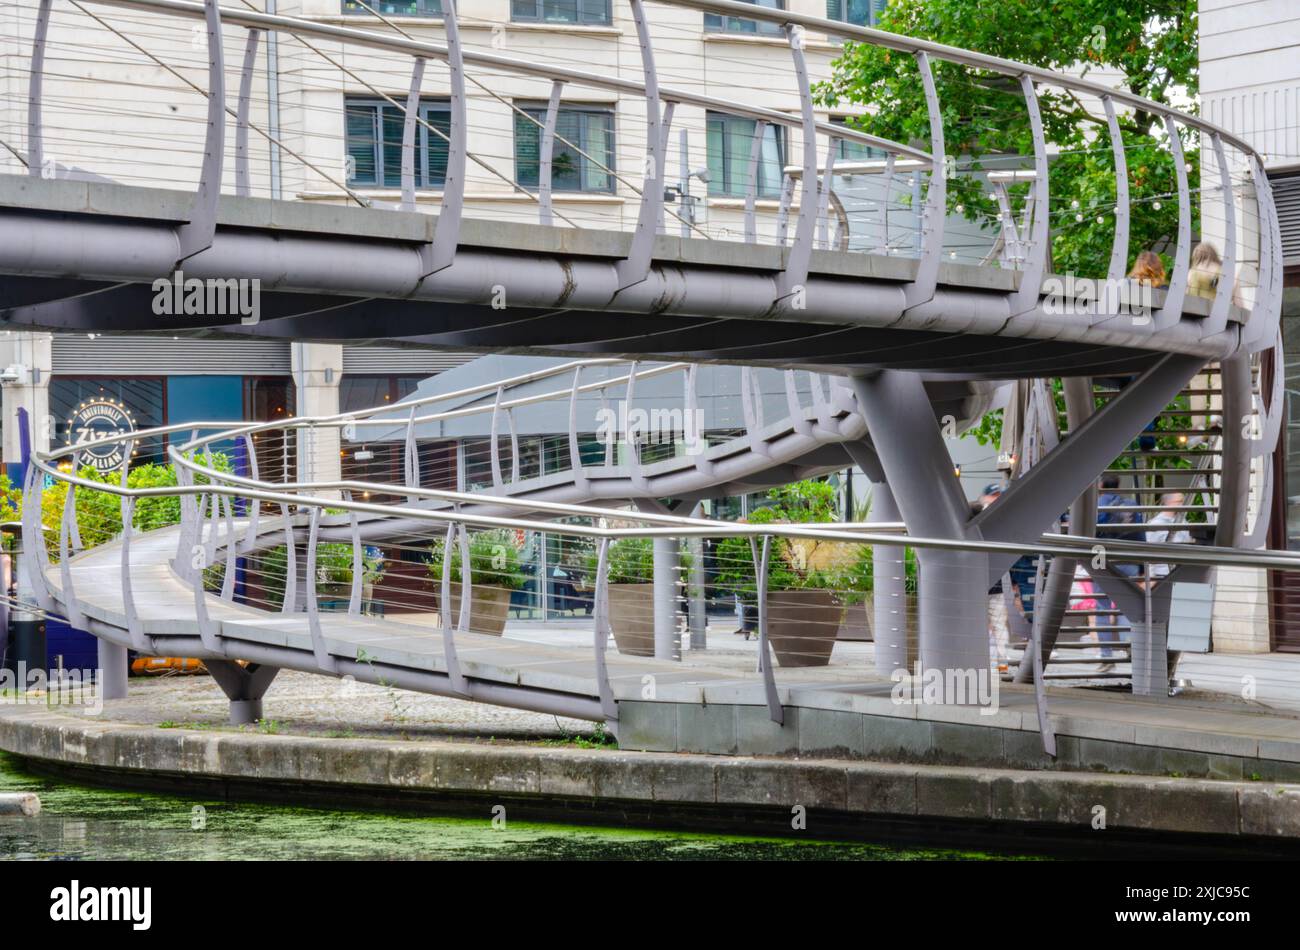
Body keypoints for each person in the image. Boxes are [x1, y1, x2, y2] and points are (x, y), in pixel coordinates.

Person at [1145, 491, 1193, 580]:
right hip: (1163, 574)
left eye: (1183, 501)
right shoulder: (1155, 524)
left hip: (1182, 571)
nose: (1182, 504)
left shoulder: (1182, 520)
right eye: (1179, 501)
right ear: (1168, 503)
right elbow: (1149, 552)